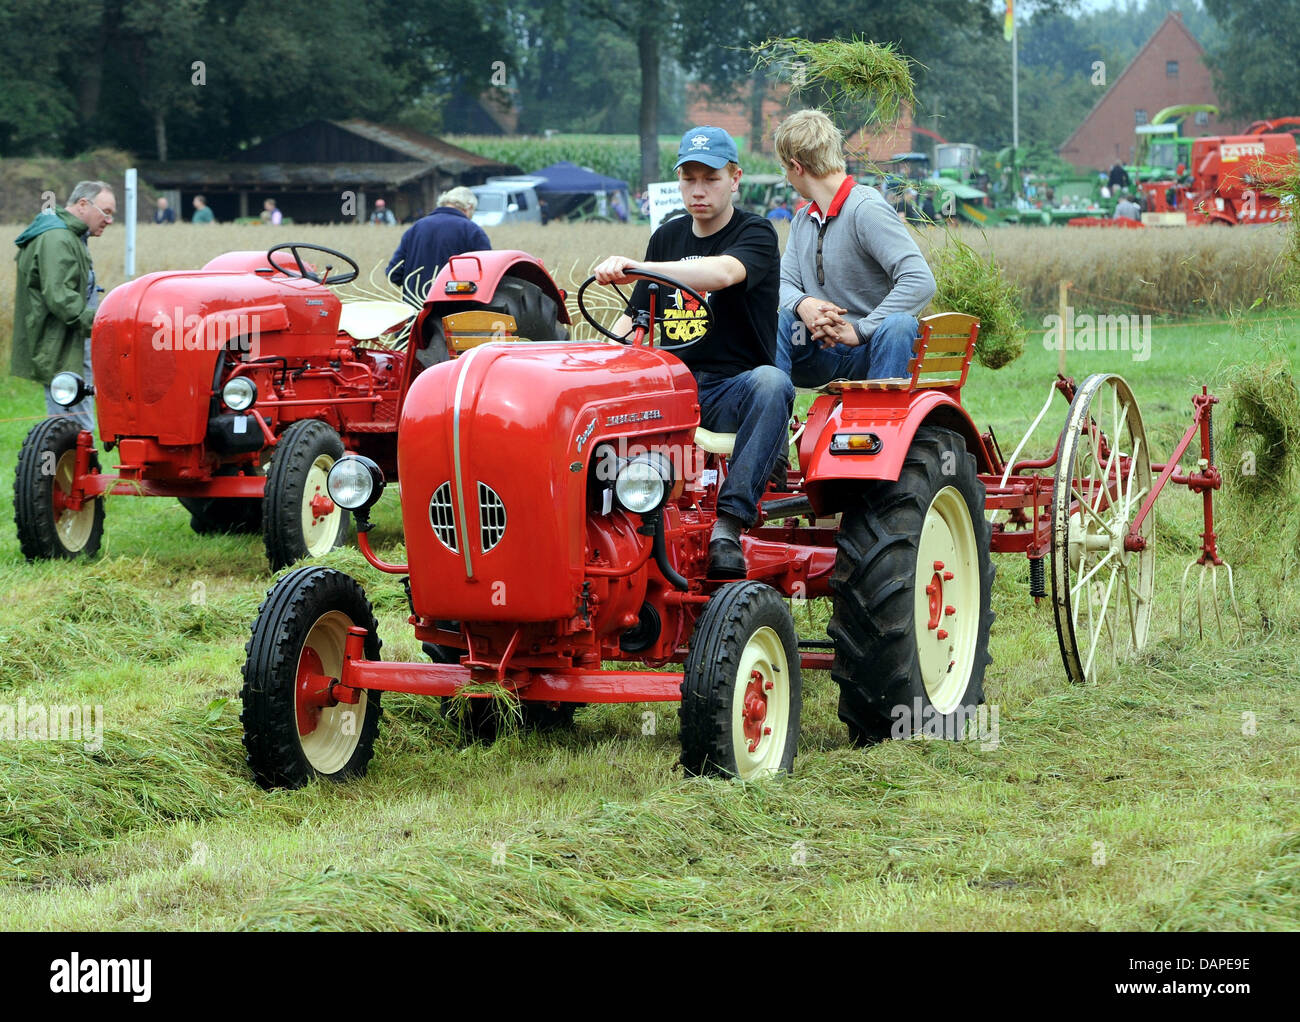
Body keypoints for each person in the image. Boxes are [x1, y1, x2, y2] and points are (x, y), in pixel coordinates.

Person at [593, 126, 790, 580]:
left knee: (772, 381)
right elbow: (635, 317)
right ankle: (609, 525)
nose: (698, 190)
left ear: (735, 178)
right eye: (689, 179)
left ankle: (729, 522)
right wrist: (594, 365)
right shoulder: (667, 237)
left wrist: (636, 267)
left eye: (711, 178)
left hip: (731, 391)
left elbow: (722, 274)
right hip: (672, 386)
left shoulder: (756, 233)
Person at [773, 109, 935, 389]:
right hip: (817, 352)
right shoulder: (802, 220)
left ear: (796, 166)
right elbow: (783, 282)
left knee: (899, 325)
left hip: (869, 352)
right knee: (781, 320)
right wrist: (805, 304)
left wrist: (859, 330)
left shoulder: (866, 209)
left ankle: (879, 425)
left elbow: (920, 281)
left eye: (786, 171)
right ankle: (774, 421)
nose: (788, 179)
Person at [11, 180, 116, 431]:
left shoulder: (69, 235)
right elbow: (61, 298)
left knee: (77, 419)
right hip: (62, 345)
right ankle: (73, 469)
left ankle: (84, 466)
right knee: (69, 425)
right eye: (106, 212)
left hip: (73, 342)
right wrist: (104, 322)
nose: (109, 220)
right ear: (83, 205)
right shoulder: (57, 238)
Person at [386, 186, 490, 303]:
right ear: (469, 207)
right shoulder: (472, 231)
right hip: (455, 313)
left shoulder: (415, 228)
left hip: (415, 311)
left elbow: (393, 272)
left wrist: (414, 286)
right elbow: (486, 277)